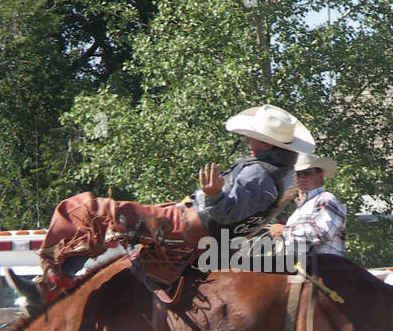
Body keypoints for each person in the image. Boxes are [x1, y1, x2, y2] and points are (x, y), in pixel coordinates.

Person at [36, 104, 314, 298]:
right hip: (192, 221)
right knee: (111, 222)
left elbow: (227, 215)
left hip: (186, 225)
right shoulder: (275, 173)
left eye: (253, 136)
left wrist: (215, 193)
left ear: (265, 144)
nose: (247, 138)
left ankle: (55, 277)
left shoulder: (258, 174)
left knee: (94, 209)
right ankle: (65, 273)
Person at [268, 152, 345, 261]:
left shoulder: (326, 199)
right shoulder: (299, 210)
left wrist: (284, 231)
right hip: (304, 268)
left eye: (307, 173)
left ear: (320, 175)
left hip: (325, 269)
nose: (302, 178)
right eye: (297, 174)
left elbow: (321, 234)